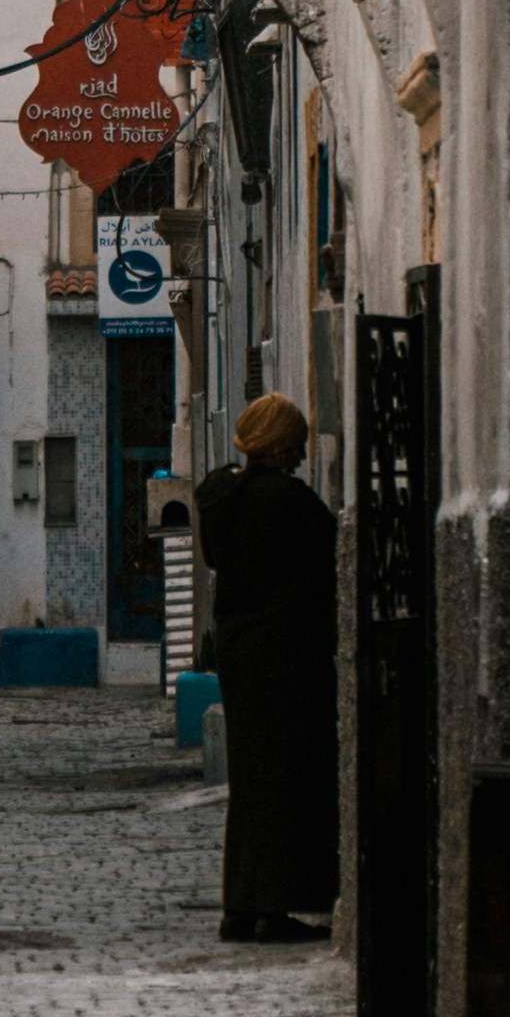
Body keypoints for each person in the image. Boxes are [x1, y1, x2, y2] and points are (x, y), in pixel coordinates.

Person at [193, 391, 339, 941]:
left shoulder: (219, 496)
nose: (302, 456)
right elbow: (329, 566)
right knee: (288, 782)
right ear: (279, 445)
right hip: (288, 657)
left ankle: (241, 904)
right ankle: (274, 909)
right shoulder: (290, 503)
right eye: (297, 445)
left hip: (238, 652)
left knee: (250, 782)